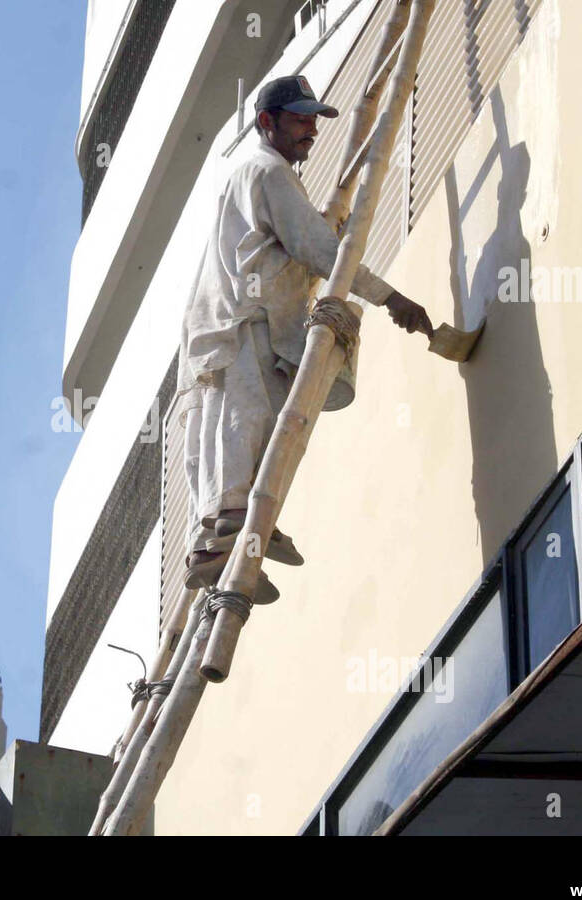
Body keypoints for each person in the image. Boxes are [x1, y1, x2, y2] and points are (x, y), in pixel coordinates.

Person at [177, 74, 433, 602]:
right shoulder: (267, 171)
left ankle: (231, 537)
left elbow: (304, 242)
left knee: (250, 428)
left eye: (313, 119)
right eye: (299, 118)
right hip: (241, 324)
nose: (310, 130)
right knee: (241, 423)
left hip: (242, 324)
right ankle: (226, 537)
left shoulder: (260, 176)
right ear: (266, 122)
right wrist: (390, 298)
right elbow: (320, 247)